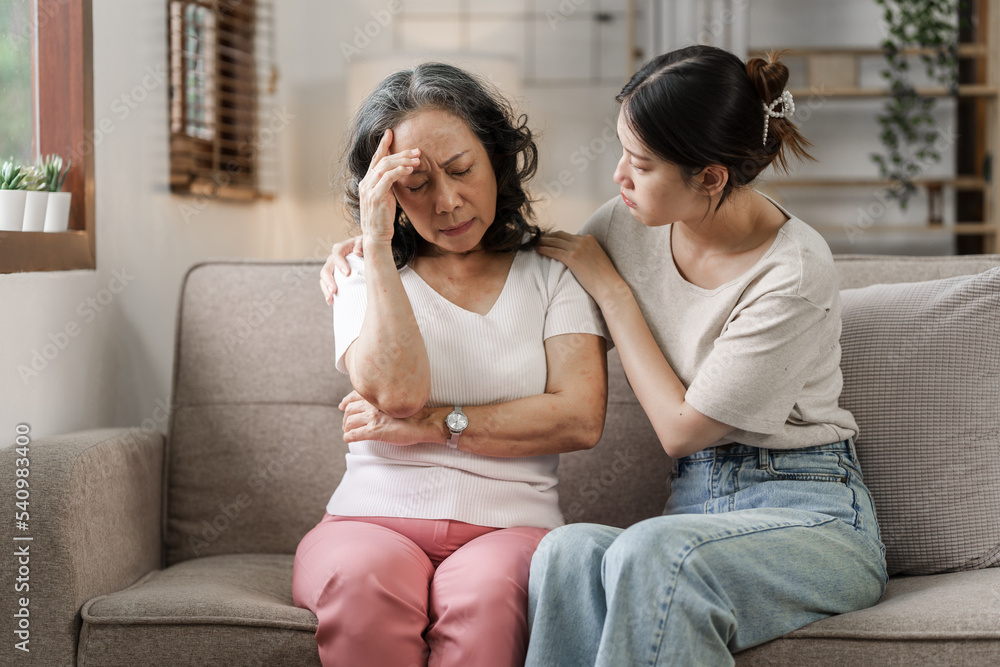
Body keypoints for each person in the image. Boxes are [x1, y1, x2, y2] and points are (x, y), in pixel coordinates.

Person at [295, 62, 609, 667]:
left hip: (510, 528)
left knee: (490, 597)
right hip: (369, 522)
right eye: (415, 185)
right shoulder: (360, 271)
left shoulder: (555, 274)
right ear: (385, 193)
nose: (448, 202)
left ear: (498, 158)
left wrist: (436, 425)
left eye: (462, 170)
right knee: (363, 584)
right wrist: (377, 245)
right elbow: (397, 392)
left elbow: (578, 418)